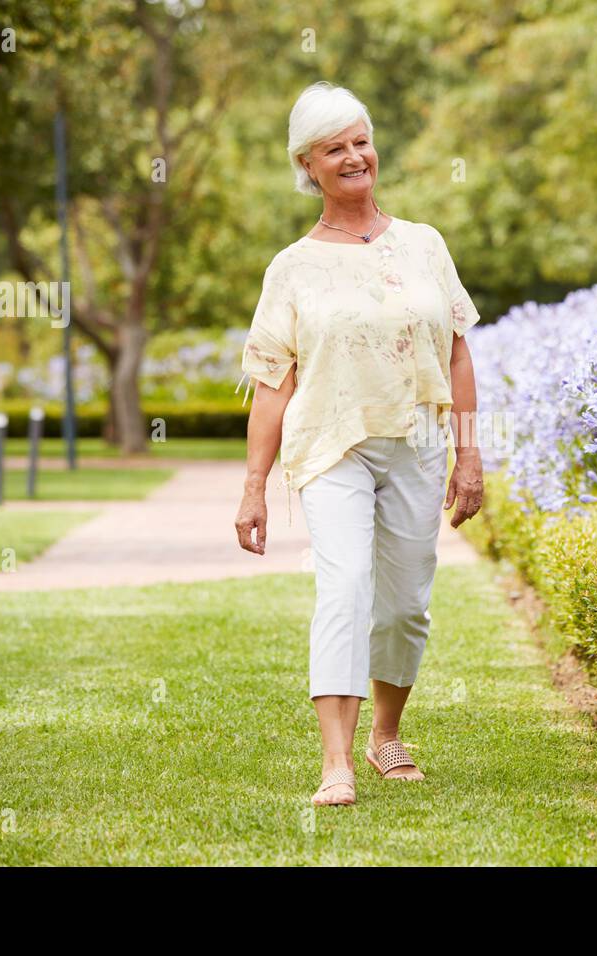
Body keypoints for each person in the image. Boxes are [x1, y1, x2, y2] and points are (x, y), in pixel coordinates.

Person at [234, 81, 484, 807]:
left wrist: (469, 454)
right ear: (306, 165)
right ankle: (335, 763)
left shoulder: (425, 245)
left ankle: (386, 735)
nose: (354, 156)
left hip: (416, 442)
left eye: (361, 140)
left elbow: (459, 352)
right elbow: (272, 379)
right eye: (334, 147)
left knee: (405, 601)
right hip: (331, 446)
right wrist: (254, 487)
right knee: (343, 587)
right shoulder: (293, 266)